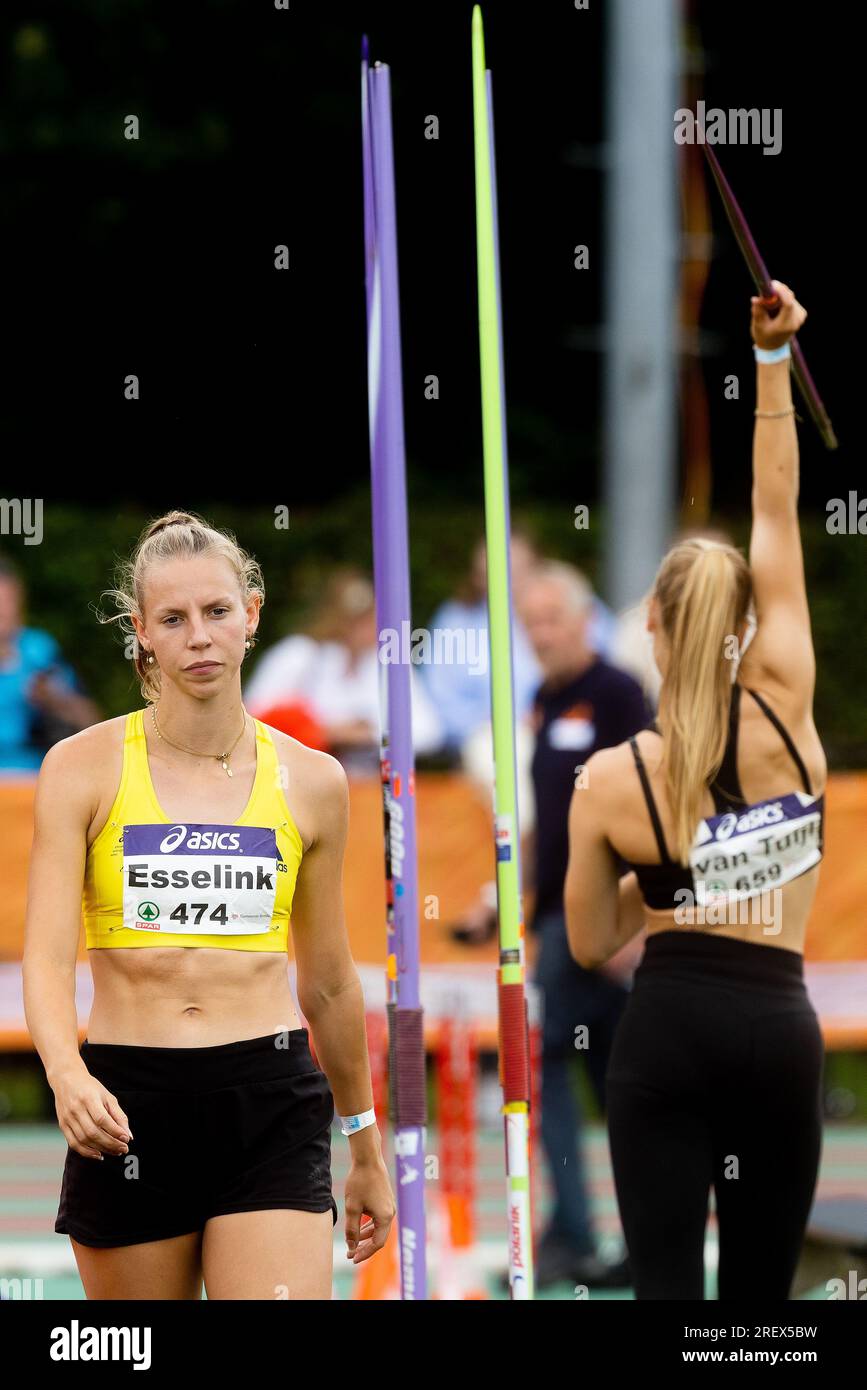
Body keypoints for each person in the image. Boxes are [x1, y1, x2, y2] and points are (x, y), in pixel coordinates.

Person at [22, 511, 395, 1300]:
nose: (199, 636)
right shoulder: (80, 768)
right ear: (143, 633)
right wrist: (66, 1076)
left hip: (269, 1102)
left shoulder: (314, 781)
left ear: (250, 616)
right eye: (174, 618)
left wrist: (364, 1144)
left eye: (217, 612)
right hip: (126, 1107)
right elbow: (48, 958)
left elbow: (328, 984)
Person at [564, 283, 826, 1299]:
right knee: (760, 1305)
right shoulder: (790, 701)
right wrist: (769, 363)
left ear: (657, 634)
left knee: (665, 1295)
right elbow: (774, 505)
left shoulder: (607, 782)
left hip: (667, 1033)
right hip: (776, 1032)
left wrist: (670, 879)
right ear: (745, 629)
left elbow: (590, 944)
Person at [520, 561, 650, 1288]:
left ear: (582, 621)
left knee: (624, 1087)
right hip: (555, 931)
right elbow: (546, 817)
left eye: (549, 619)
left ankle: (636, 1236)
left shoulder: (617, 694)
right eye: (528, 621)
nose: (538, 635)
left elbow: (647, 804)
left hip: (606, 932)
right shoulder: (542, 697)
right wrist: (499, 897)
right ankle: (571, 1231)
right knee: (544, 1077)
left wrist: (628, 924)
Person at [243, 567, 443, 774]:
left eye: (368, 618)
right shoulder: (298, 655)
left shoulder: (387, 664)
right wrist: (324, 733)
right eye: (354, 619)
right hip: (297, 777)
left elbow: (428, 732)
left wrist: (372, 735)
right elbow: (251, 721)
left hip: (369, 782)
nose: (364, 628)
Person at [0, 558, 100, 771]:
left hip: (33, 775)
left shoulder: (39, 652)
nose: (3, 612)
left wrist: (53, 699)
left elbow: (91, 721)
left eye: (7, 602)